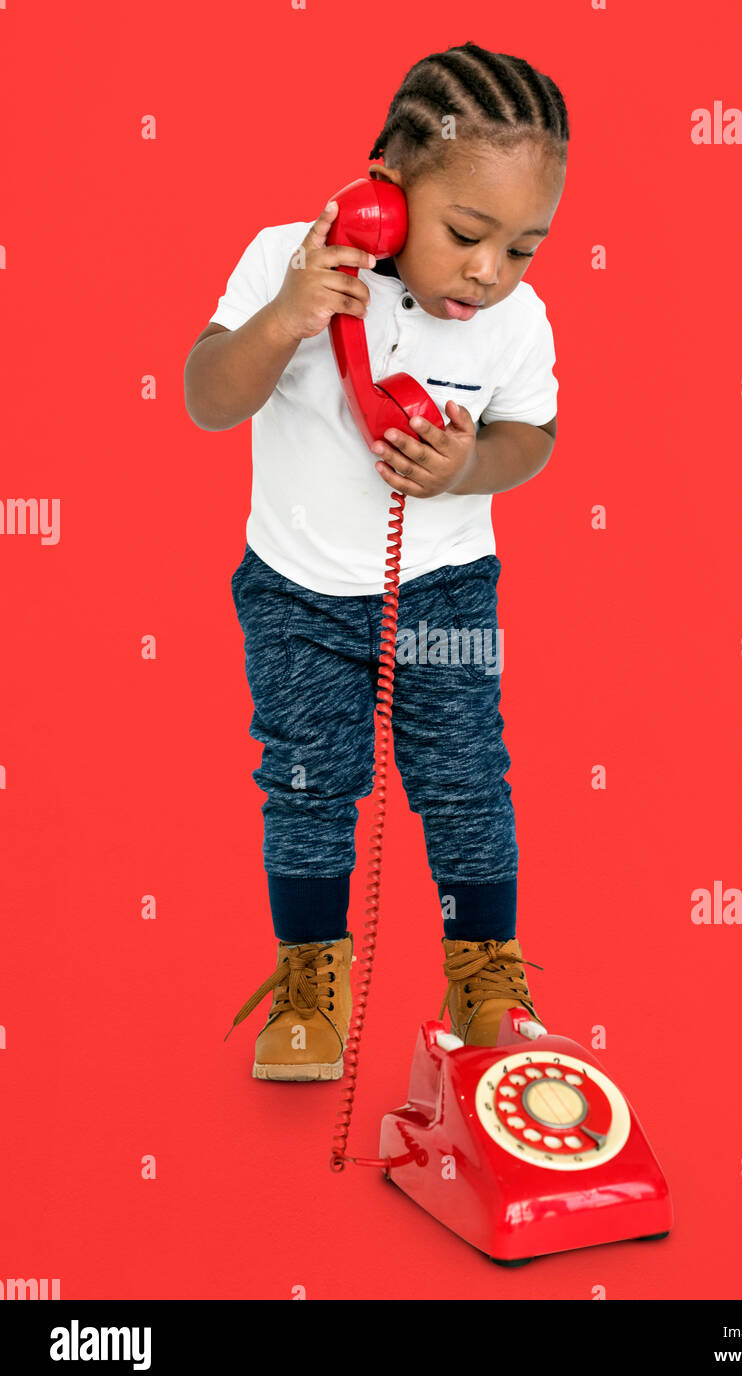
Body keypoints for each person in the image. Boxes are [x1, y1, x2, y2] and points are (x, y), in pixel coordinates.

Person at [184, 41, 568, 1080]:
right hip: (297, 593)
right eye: (465, 235)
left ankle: (483, 967)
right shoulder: (284, 259)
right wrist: (290, 315)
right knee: (307, 783)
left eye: (523, 249)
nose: (490, 272)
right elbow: (208, 396)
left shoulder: (512, 322)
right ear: (384, 193)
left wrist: (463, 468)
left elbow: (530, 437)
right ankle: (309, 974)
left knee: (461, 780)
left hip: (440, 589)